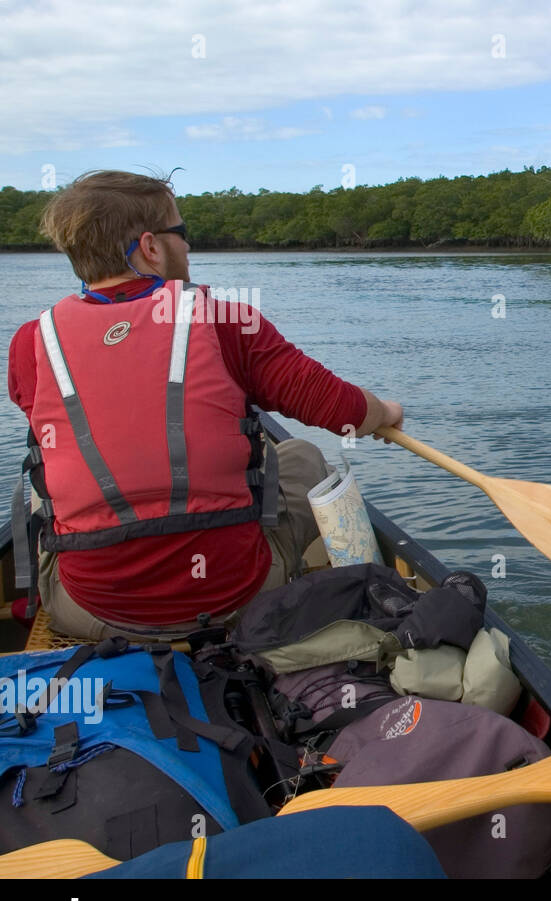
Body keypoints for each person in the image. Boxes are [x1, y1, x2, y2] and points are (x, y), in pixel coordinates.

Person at [8, 169, 405, 640]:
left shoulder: (31, 342)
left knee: (37, 485)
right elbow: (344, 414)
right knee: (302, 456)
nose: (189, 247)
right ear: (151, 247)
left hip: (96, 613)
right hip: (234, 598)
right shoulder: (224, 320)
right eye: (182, 233)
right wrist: (384, 413)